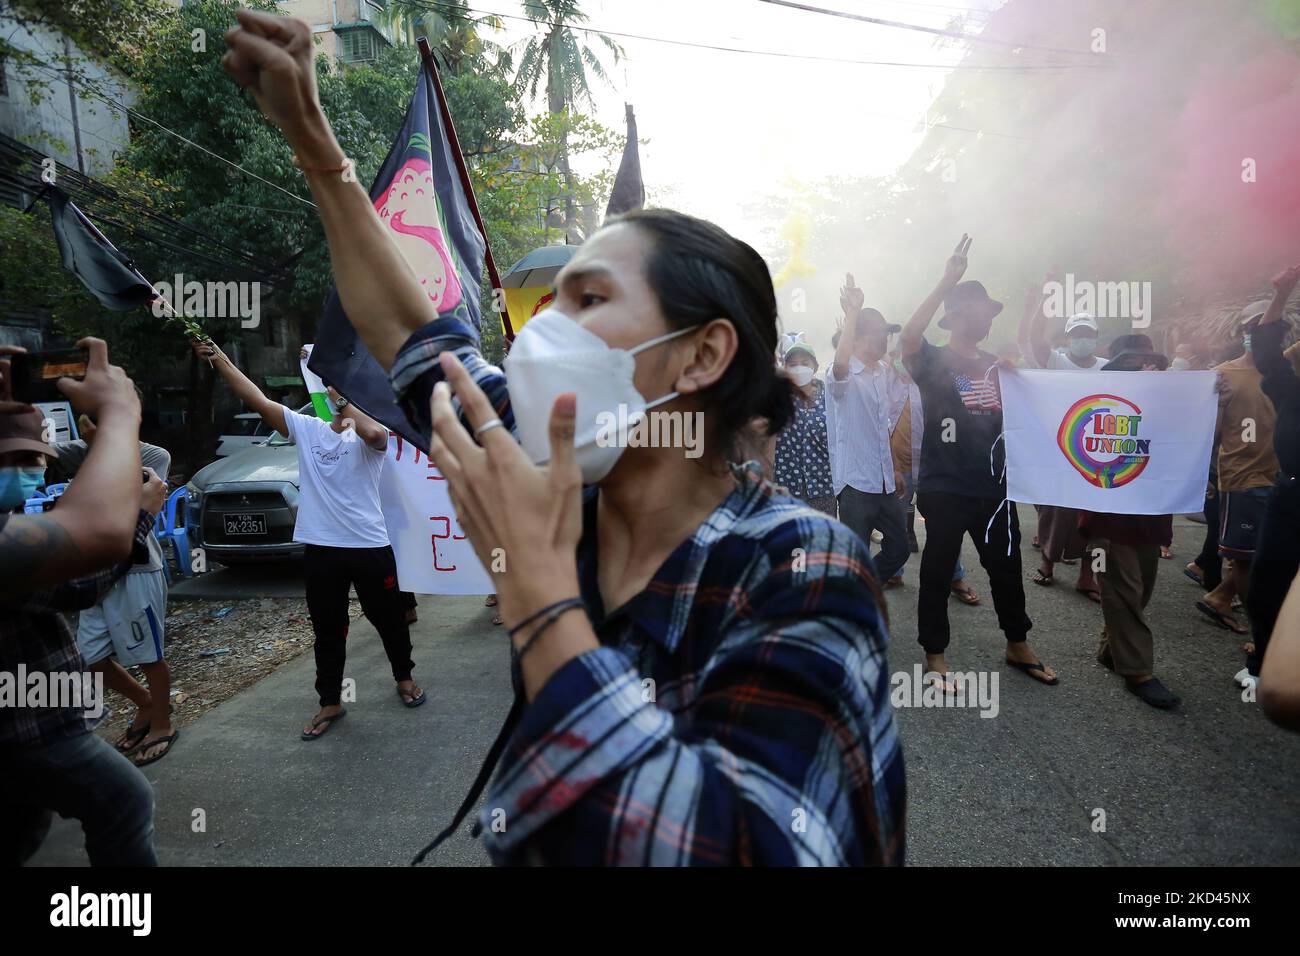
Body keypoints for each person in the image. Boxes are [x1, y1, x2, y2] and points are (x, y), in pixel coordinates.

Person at [221, 7, 905, 865]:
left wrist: (539, 597)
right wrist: (313, 142)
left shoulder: (805, 569)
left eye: (588, 300)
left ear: (702, 353)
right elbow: (410, 329)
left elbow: (746, 849)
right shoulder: (559, 467)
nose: (547, 326)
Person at [191, 340, 425, 739]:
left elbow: (374, 436)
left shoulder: (371, 430)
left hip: (369, 546)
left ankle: (404, 677)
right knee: (328, 628)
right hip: (321, 549)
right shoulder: (308, 430)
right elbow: (257, 398)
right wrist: (222, 360)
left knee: (389, 620)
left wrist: (342, 399)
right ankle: (330, 702)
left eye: (343, 392)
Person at [0, 339, 161, 866]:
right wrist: (119, 409)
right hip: (27, 725)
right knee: (123, 800)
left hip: (33, 717)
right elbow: (86, 561)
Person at [899, 235, 1055, 686]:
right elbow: (909, 336)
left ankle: (1017, 643)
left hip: (994, 485)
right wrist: (948, 279)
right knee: (937, 568)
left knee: (1006, 565)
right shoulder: (932, 360)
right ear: (960, 314)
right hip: (945, 485)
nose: (989, 319)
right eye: (984, 310)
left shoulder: (997, 365)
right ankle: (935, 654)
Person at [48, 422, 177, 766]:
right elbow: (44, 454)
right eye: (88, 414)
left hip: (136, 569)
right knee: (91, 656)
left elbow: (137, 495)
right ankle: (147, 703)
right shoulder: (79, 451)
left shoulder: (153, 455)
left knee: (149, 655)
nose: (92, 421)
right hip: (94, 571)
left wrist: (102, 443)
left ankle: (162, 724)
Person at [1080, 335, 1178, 709]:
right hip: (1107, 519)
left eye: (1153, 364)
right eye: (1137, 363)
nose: (1146, 369)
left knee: (1140, 591)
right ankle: (1139, 672)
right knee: (1121, 589)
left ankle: (1112, 649)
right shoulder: (1097, 407)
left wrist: (1211, 396)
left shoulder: (1164, 409)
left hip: (1152, 517)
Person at [1195, 301, 1283, 638]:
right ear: (1242, 331)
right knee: (1245, 559)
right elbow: (1210, 433)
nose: (1257, 333)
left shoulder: (1288, 368)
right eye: (1251, 326)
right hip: (1243, 479)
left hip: (1284, 477)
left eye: (1266, 327)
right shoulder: (1223, 375)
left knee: (1271, 553)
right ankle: (1262, 635)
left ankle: (1221, 596)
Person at [1237, 264, 1300, 692]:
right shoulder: (1289, 389)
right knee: (1266, 586)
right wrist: (1281, 293)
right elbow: (1265, 353)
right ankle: (1264, 660)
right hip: (1289, 495)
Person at [828, 275, 910, 587]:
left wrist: (896, 468)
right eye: (878, 335)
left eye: (886, 335)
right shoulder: (842, 375)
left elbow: (882, 427)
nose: (884, 341)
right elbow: (839, 367)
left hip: (885, 481)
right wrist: (851, 314)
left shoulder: (884, 372)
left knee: (899, 549)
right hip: (855, 484)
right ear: (859, 338)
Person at [1021, 309, 1102, 600]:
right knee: (1054, 511)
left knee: (1092, 515)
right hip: (1058, 450)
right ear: (1068, 338)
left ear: (1096, 337)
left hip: (1095, 454)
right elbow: (1034, 339)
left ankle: (1086, 576)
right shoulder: (1057, 361)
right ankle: (1047, 564)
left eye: (1088, 334)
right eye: (1077, 334)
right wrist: (1042, 303)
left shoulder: (1109, 367)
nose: (1083, 339)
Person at [889, 348, 980, 605]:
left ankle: (955, 576)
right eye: (898, 356)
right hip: (899, 467)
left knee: (943, 526)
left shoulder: (946, 375)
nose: (904, 361)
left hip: (936, 467)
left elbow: (975, 400)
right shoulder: (886, 379)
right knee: (895, 523)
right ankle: (893, 572)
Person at [772, 341, 836, 516]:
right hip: (786, 490)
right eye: (793, 365)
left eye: (804, 363)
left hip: (823, 489)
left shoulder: (830, 400)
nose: (799, 368)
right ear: (785, 368)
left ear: (815, 366)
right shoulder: (778, 401)